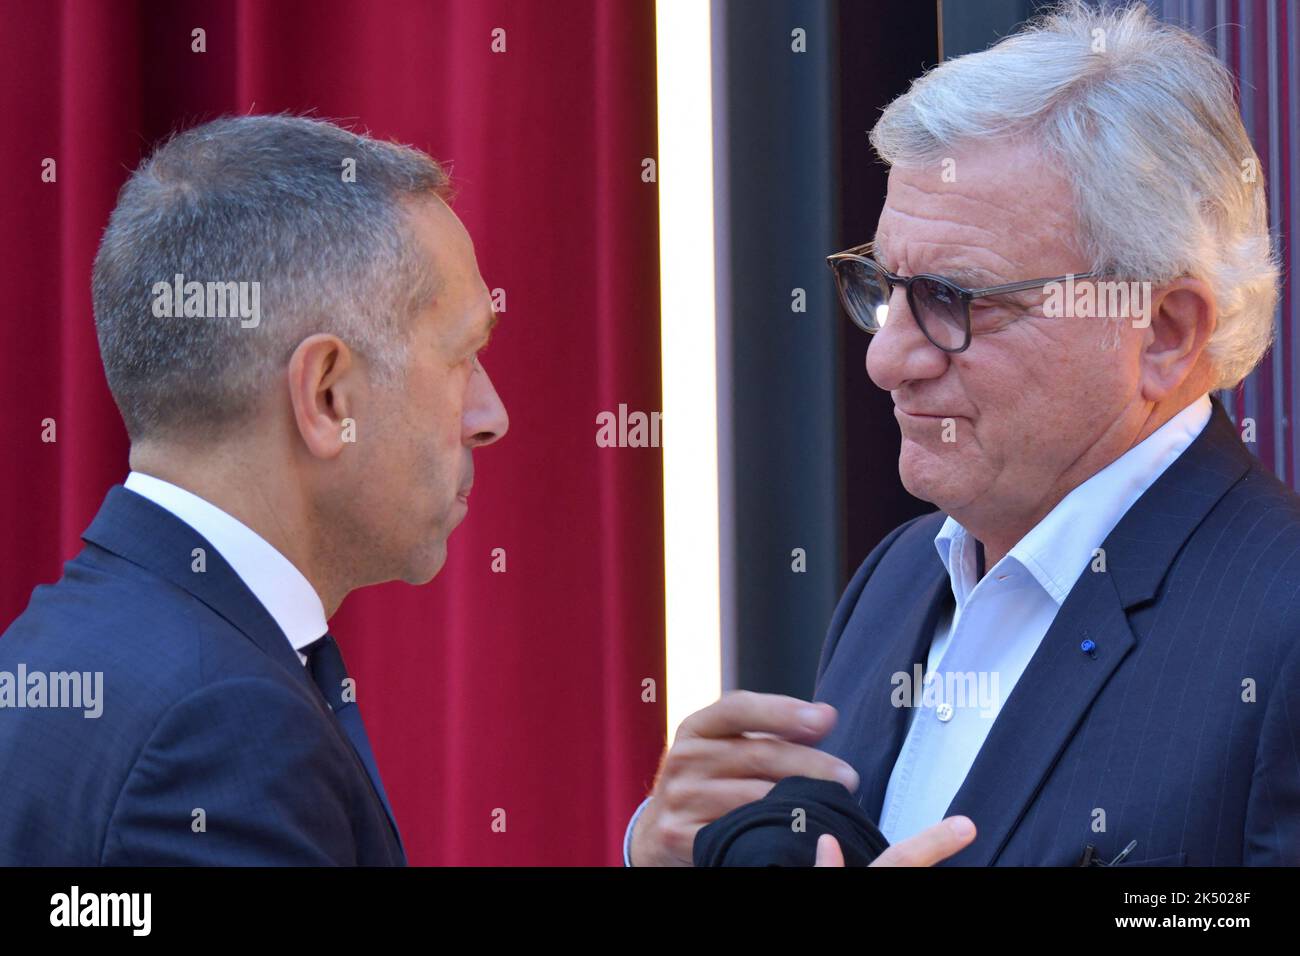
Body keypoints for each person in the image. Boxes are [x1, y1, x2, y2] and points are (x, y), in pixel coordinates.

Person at [628, 0, 1299, 867]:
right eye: (884, 286)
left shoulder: (1278, 623)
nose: (887, 361)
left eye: (954, 300)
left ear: (1163, 331)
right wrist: (670, 848)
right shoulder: (903, 572)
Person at [0, 114, 508, 864]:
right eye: (464, 356)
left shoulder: (49, 647)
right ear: (329, 396)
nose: (490, 416)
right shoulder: (224, 728)